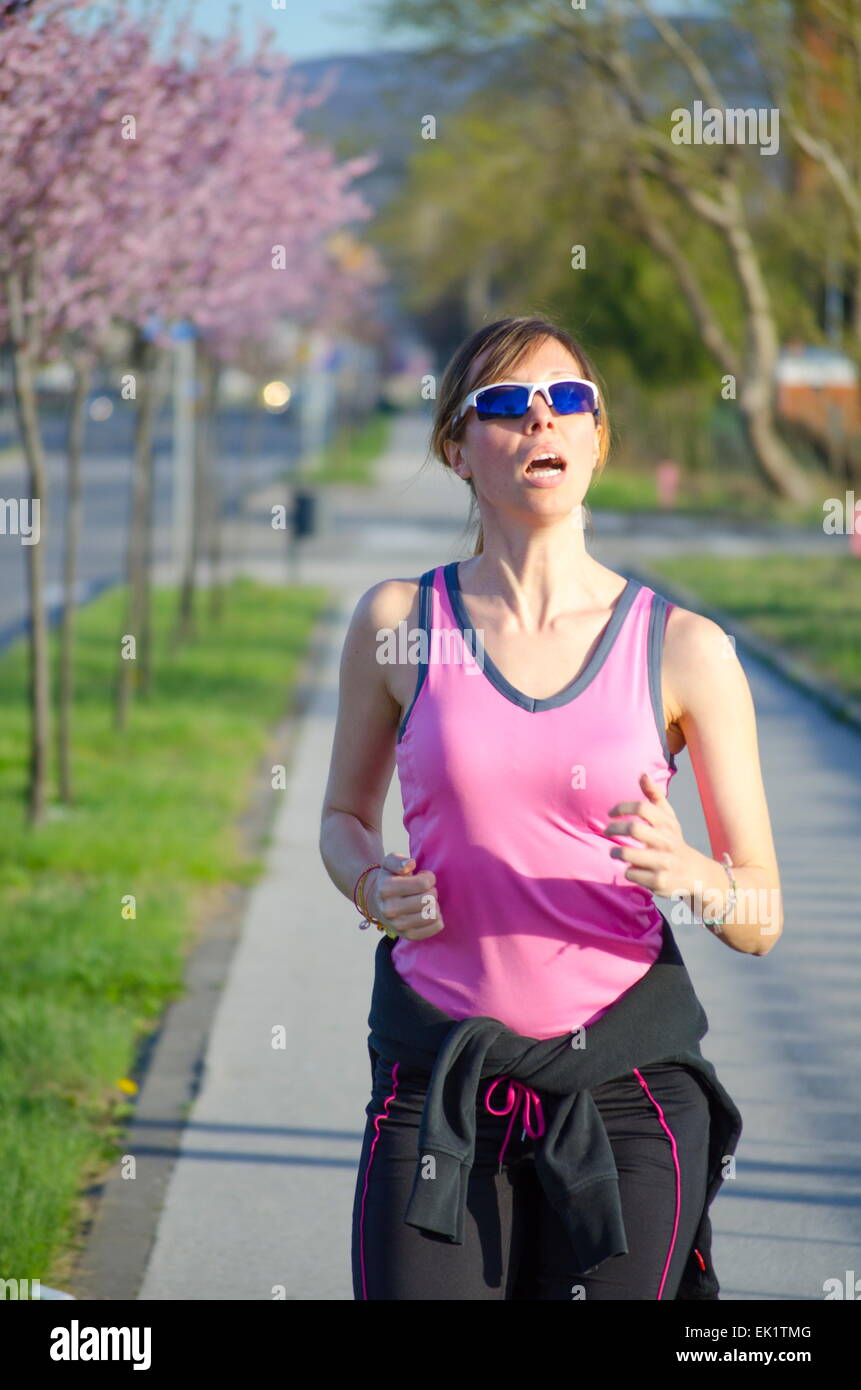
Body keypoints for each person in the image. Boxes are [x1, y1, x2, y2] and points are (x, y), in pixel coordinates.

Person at [319, 315, 783, 1301]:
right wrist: (369, 879)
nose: (544, 419)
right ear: (458, 447)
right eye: (506, 403)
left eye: (569, 399)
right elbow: (341, 817)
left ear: (599, 440)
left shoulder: (685, 647)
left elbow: (760, 917)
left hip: (624, 1089)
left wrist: (688, 871)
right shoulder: (402, 622)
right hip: (437, 1079)